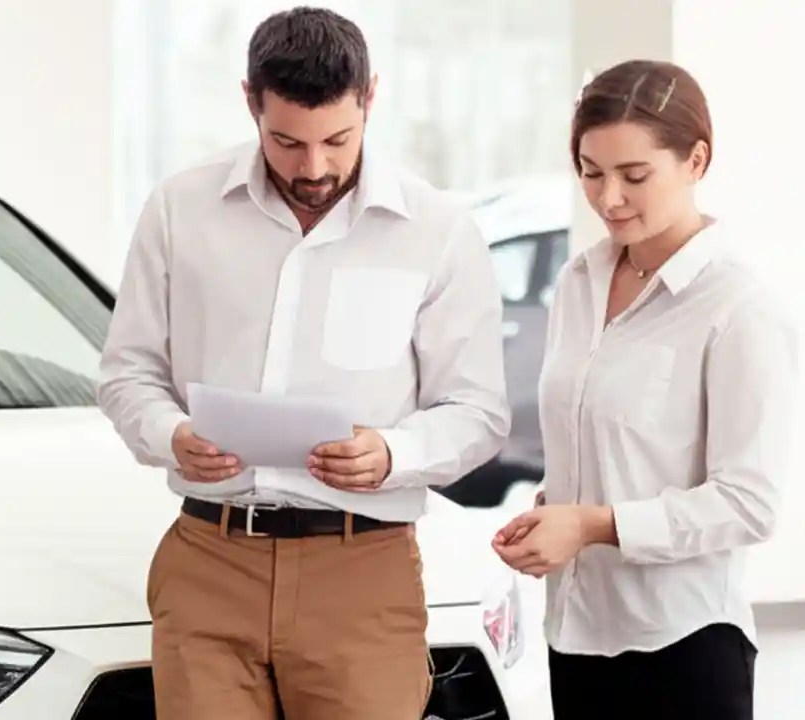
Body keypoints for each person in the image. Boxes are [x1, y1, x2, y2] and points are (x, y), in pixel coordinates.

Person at [97, 7, 509, 718]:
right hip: (209, 562)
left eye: (336, 140)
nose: (312, 168)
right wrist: (171, 434)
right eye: (286, 141)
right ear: (250, 102)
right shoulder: (179, 209)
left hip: (361, 571)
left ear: (370, 98)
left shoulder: (437, 230)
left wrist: (393, 452)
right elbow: (127, 371)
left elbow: (478, 411)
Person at [491, 59, 795, 720]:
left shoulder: (738, 307)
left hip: (683, 645)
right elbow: (601, 439)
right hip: (575, 634)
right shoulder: (579, 282)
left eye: (634, 176)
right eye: (591, 172)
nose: (609, 199)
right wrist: (553, 511)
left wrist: (593, 526)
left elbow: (749, 503)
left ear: (696, 161)